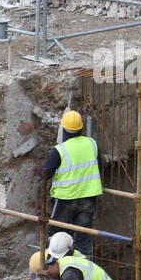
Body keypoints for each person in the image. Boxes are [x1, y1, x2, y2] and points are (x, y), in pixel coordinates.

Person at [40, 110, 101, 258]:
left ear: (64, 129)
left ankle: (51, 269)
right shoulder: (92, 144)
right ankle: (85, 273)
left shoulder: (60, 150)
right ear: (81, 128)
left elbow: (45, 172)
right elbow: (98, 165)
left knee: (55, 237)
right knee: (83, 239)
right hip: (88, 198)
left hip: (65, 201)